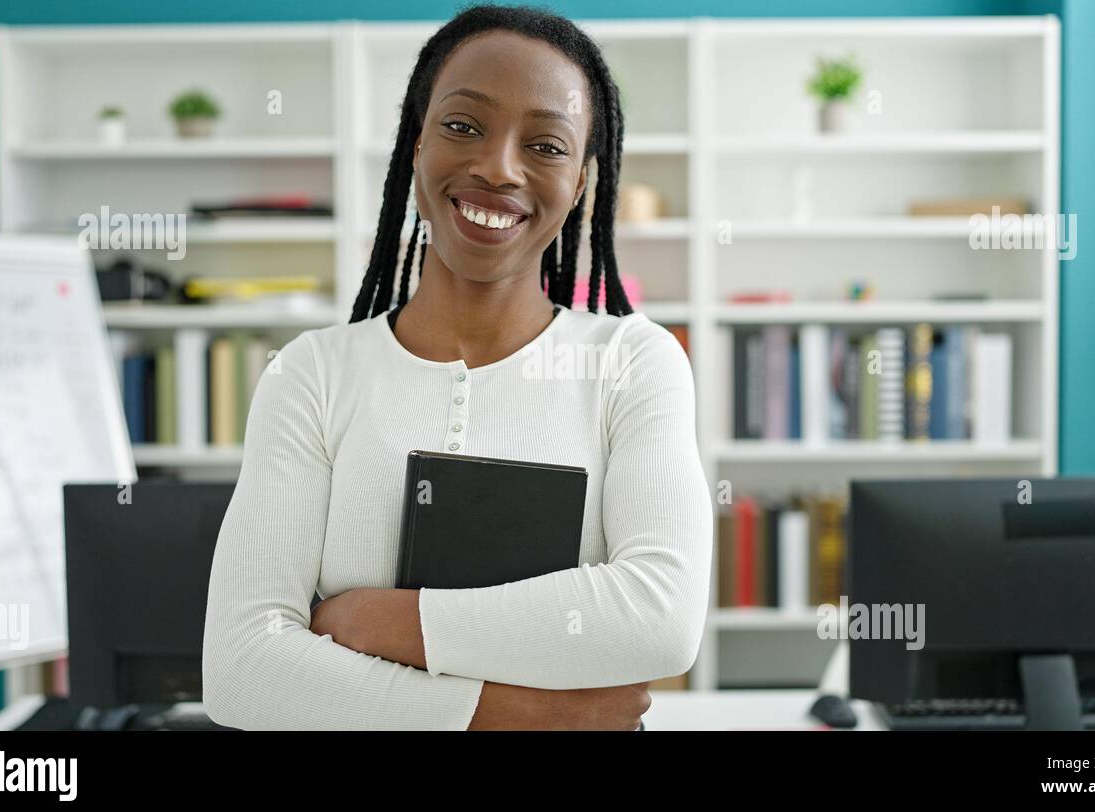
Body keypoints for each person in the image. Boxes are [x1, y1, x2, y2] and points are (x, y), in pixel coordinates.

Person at [202, 3, 712, 730]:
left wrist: (378, 619)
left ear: (581, 184)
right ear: (416, 145)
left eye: (545, 145)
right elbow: (241, 669)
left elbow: (660, 618)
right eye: (464, 126)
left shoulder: (634, 362)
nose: (498, 167)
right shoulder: (310, 374)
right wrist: (524, 714)